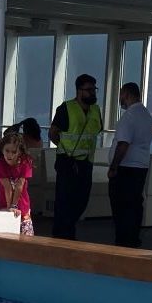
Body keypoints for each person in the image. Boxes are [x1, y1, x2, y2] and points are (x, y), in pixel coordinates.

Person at [49, 74, 103, 240]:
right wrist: (65, 149)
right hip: (68, 160)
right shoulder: (66, 108)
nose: (93, 93)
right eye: (89, 90)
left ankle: (67, 229)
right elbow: (53, 133)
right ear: (79, 91)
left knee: (81, 200)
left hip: (86, 162)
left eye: (94, 90)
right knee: (64, 200)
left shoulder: (95, 110)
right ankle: (63, 235)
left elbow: (96, 130)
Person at [106, 82, 152, 248]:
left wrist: (113, 167)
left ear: (126, 94)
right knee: (134, 204)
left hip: (125, 169)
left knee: (121, 206)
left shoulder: (129, 117)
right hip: (141, 167)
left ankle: (123, 240)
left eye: (120, 95)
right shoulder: (147, 116)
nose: (120, 99)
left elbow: (123, 144)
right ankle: (133, 238)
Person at [0, 127, 33, 235]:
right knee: (4, 240)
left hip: (23, 208)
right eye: (7, 151)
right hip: (3, 206)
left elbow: (20, 184)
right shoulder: (0, 164)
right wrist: (9, 209)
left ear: (19, 152)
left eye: (13, 152)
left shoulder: (26, 162)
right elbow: (7, 187)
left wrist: (14, 206)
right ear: (2, 149)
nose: (9, 155)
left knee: (27, 240)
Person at [19, 117, 49, 224]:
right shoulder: (39, 140)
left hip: (27, 170)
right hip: (38, 171)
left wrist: (18, 124)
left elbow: (8, 133)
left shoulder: (24, 139)